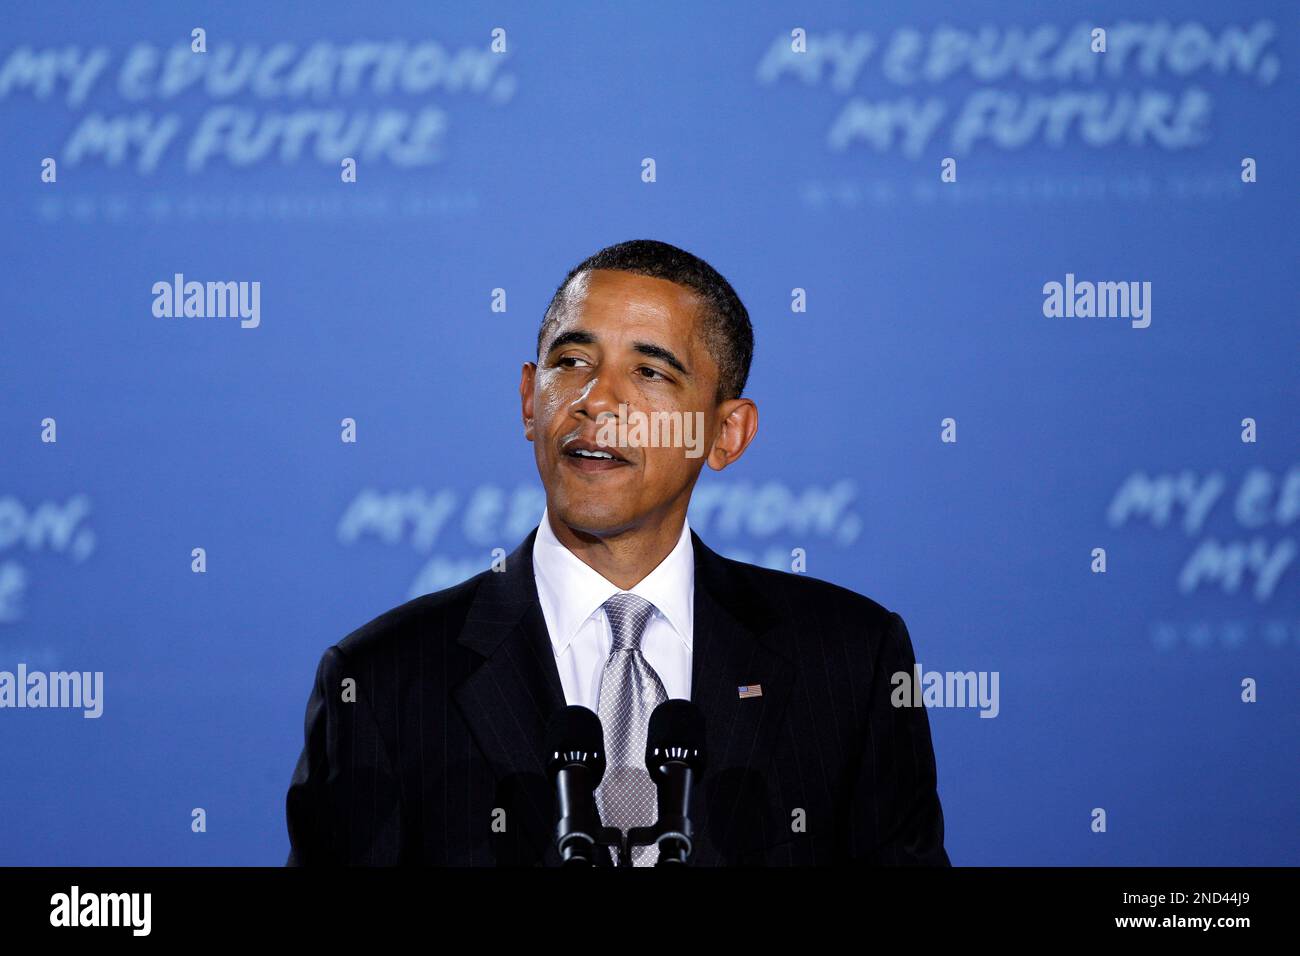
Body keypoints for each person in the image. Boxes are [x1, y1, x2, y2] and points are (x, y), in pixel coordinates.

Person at [285, 239, 950, 866]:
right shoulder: (379, 682)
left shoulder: (850, 664)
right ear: (527, 399)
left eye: (650, 371)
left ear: (726, 433)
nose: (596, 401)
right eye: (570, 363)